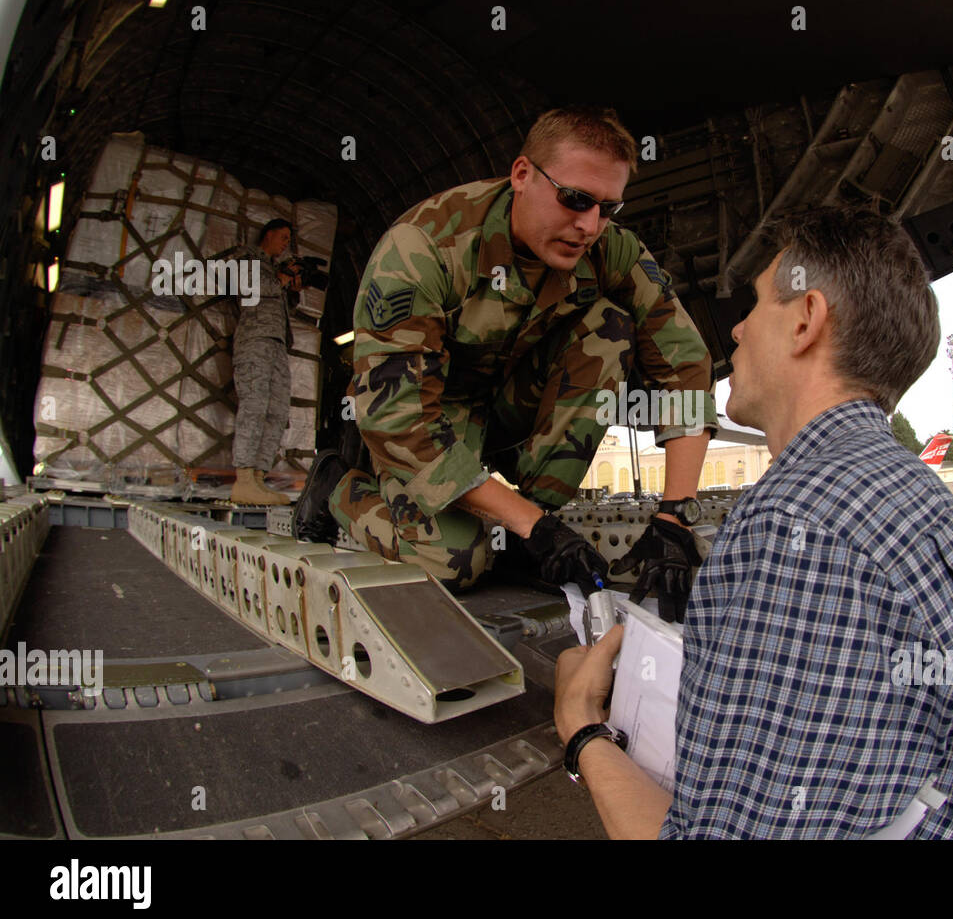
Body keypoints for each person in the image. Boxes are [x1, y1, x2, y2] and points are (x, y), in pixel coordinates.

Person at [554, 206, 953, 839]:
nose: (734, 330)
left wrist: (582, 730)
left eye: (756, 304)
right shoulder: (918, 498)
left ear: (805, 320)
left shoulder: (795, 528)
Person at [294, 107, 718, 614]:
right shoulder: (425, 247)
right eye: (575, 199)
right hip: (427, 419)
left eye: (607, 208)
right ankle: (338, 486)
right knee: (454, 561)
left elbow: (685, 362)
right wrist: (528, 524)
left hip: (508, 404)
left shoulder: (611, 250)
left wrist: (674, 517)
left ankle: (532, 519)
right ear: (522, 175)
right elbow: (397, 416)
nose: (589, 225)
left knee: (610, 331)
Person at [230, 218, 300, 505]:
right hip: (254, 340)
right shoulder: (246, 257)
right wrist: (280, 280)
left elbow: (284, 306)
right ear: (268, 234)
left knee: (277, 410)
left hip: (277, 344)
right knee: (255, 405)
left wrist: (291, 286)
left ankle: (258, 477)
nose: (285, 244)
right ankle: (243, 478)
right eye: (283, 237)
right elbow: (249, 288)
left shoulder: (273, 270)